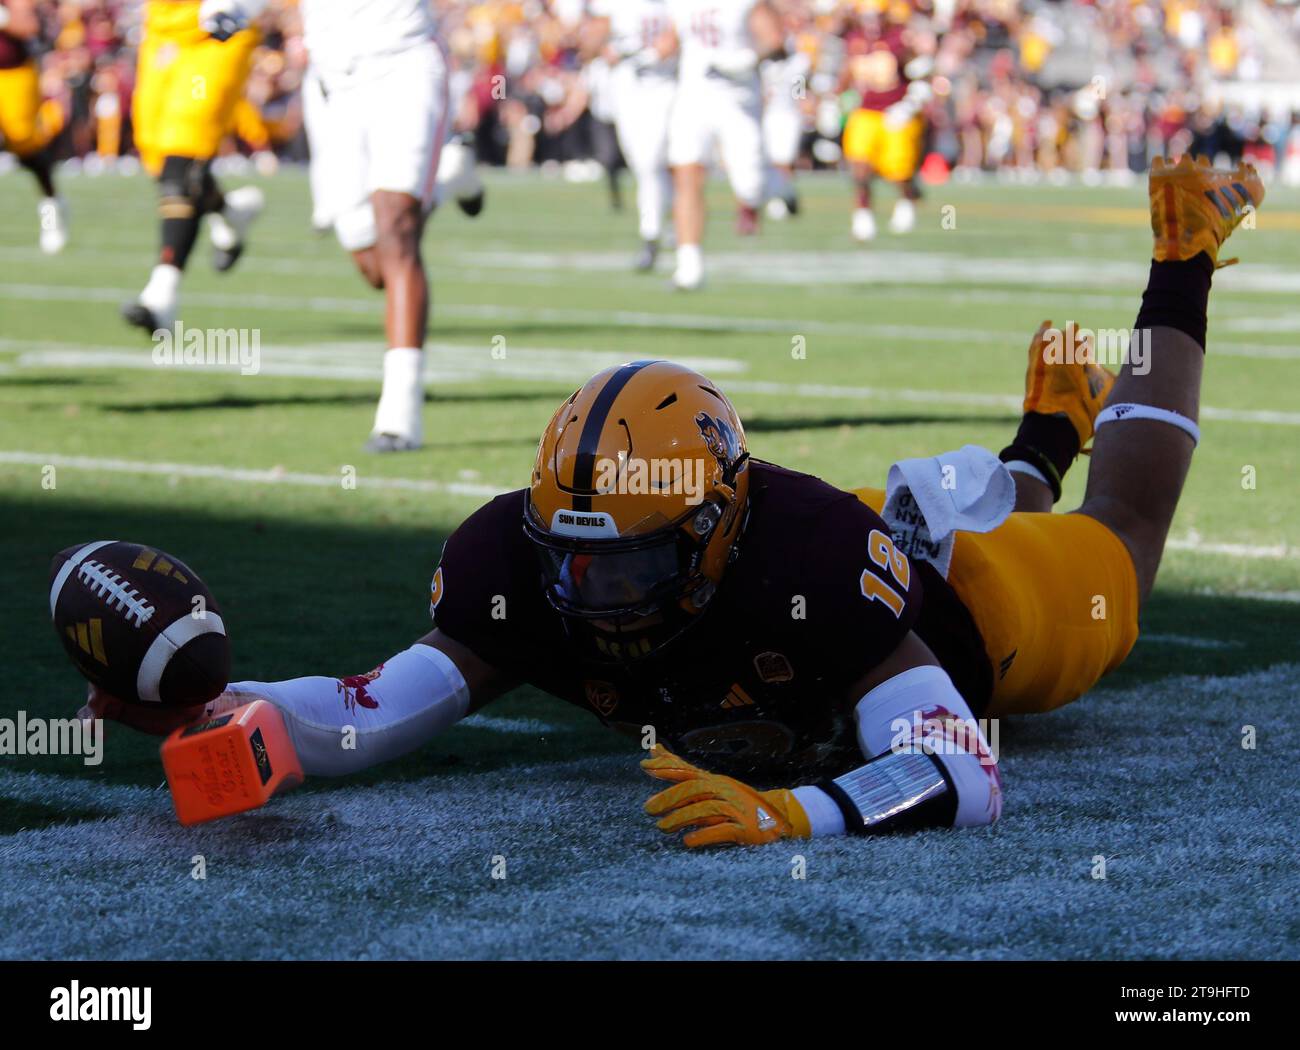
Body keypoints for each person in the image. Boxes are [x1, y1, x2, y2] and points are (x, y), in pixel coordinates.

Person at [86, 157, 1263, 847]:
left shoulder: (800, 562)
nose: (590, 591)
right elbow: (375, 706)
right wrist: (238, 722)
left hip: (969, 616)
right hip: (840, 533)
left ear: (713, 536)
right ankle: (1038, 436)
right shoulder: (532, 559)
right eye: (571, 558)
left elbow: (963, 762)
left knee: (1123, 542)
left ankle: (1180, 257)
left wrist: (797, 817)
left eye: (629, 564)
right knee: (989, 501)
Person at [300, 0, 482, 453]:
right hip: (334, 86)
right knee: (372, 261)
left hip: (404, 66)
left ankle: (399, 416)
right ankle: (445, 179)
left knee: (398, 232)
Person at [121, 0, 266, 334]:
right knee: (159, 158)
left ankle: (161, 294)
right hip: (163, 28)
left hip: (214, 27)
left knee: (182, 155)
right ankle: (230, 212)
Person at [658, 0, 784, 289]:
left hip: (737, 100)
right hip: (692, 97)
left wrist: (746, 60)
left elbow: (774, 41)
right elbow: (669, 41)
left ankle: (771, 189)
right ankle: (689, 266)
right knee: (687, 176)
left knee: (750, 185)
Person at [0, 0, 68, 253]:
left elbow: (28, 26)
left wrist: (4, 17)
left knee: (27, 150)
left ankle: (52, 210)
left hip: (13, 76)